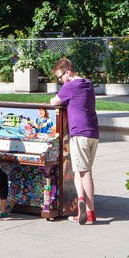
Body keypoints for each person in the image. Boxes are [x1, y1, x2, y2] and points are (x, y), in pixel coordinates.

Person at [51, 56, 99, 224]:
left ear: (68, 72)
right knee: (84, 170)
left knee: (82, 172)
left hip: (79, 133)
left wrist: (61, 93)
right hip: (93, 133)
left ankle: (88, 211)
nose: (60, 80)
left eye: (60, 76)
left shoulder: (70, 86)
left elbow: (55, 101)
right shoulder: (87, 83)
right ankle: (82, 205)